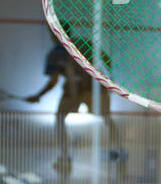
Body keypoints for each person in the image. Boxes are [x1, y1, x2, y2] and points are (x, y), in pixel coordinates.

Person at [27, 41, 111, 173]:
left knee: (60, 119)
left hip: (91, 89)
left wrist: (38, 96)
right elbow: (107, 59)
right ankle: (65, 158)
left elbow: (53, 81)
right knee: (106, 120)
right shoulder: (75, 47)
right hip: (86, 89)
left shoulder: (64, 51)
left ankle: (66, 158)